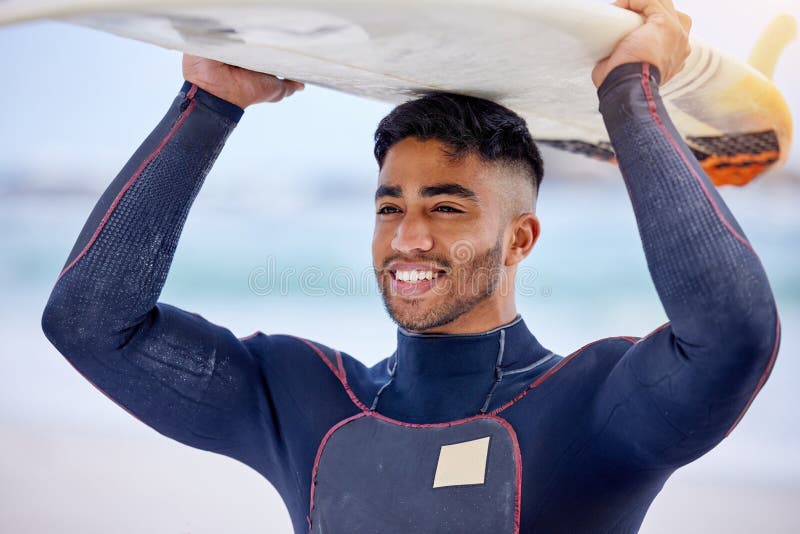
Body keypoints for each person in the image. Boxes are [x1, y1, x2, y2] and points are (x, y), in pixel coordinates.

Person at [41, 0, 780, 532]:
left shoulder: (595, 409)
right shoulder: (305, 402)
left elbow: (733, 333)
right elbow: (89, 322)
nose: (409, 237)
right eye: (390, 206)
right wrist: (208, 104)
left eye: (448, 207)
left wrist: (629, 92)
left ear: (521, 240)